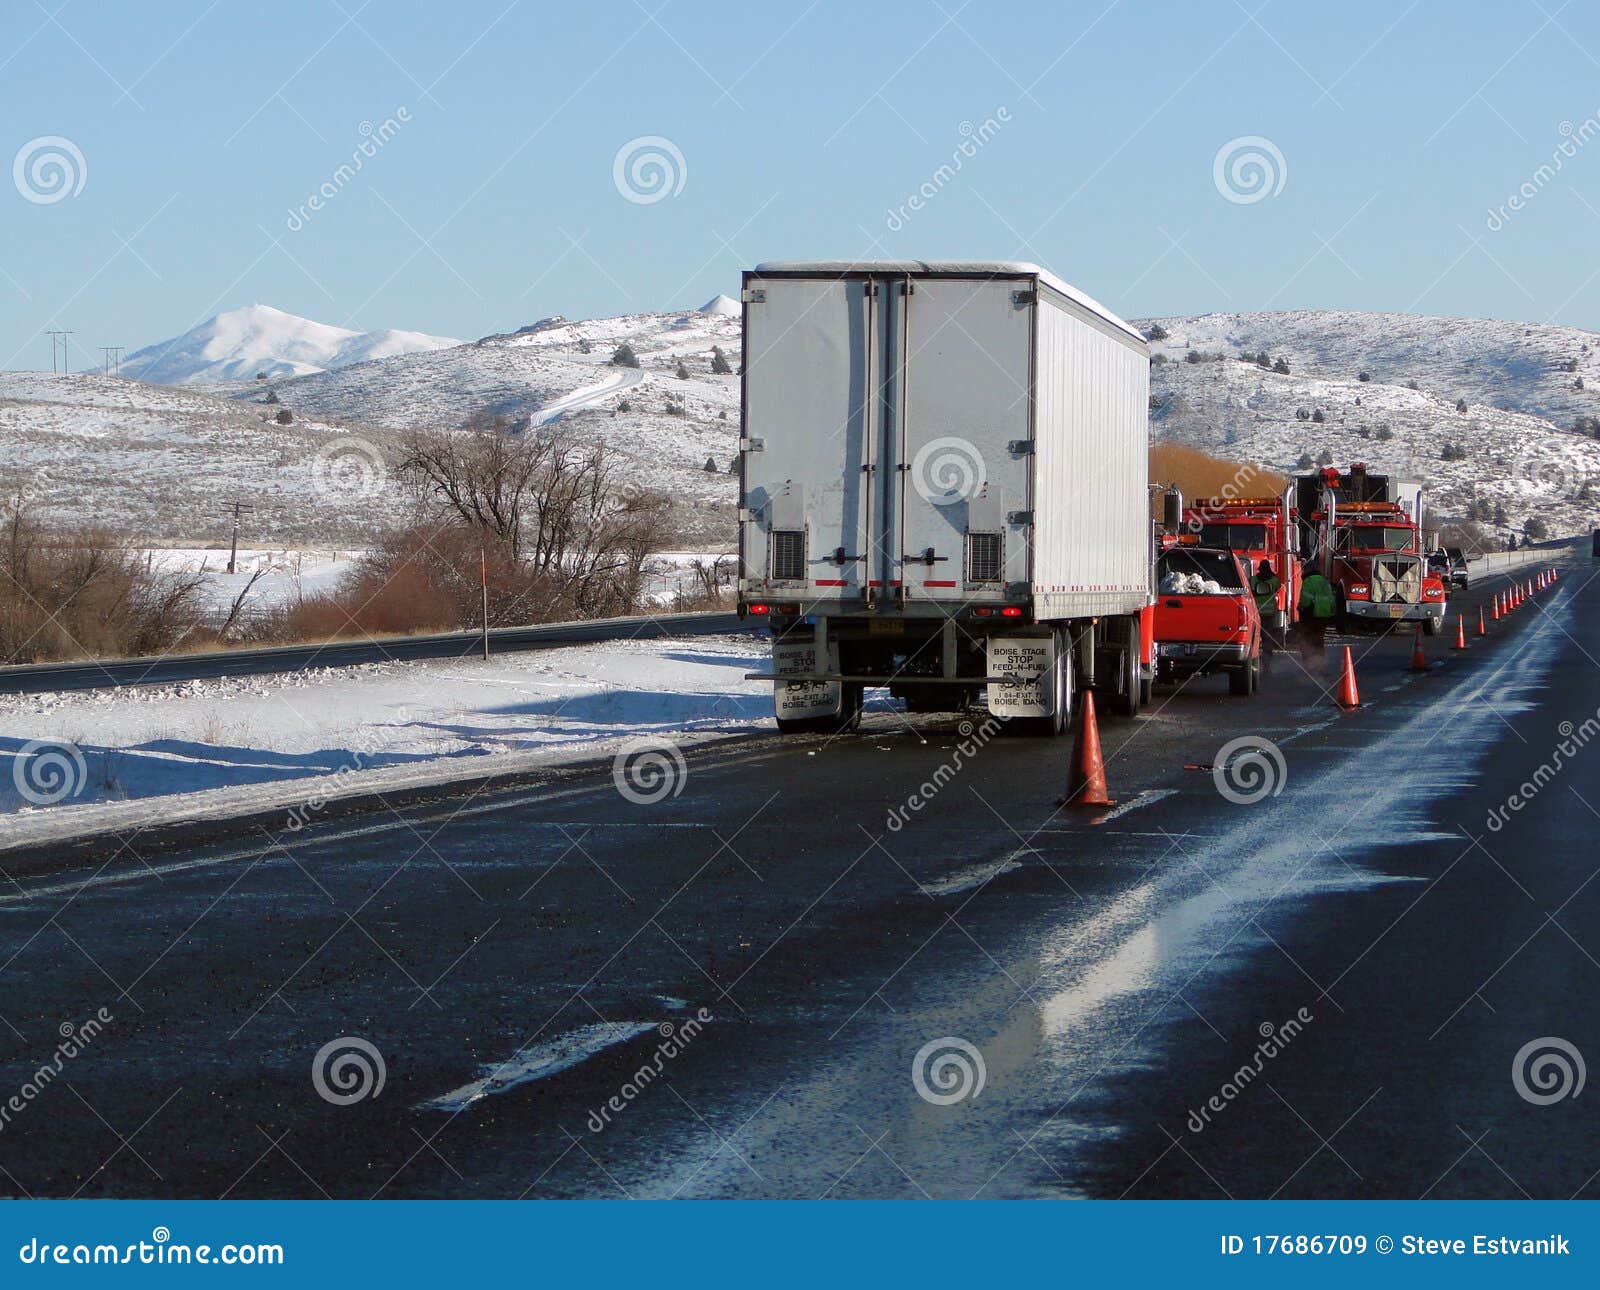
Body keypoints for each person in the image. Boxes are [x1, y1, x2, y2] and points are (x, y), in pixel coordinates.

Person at [1297, 565, 1337, 668]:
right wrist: (1332, 612)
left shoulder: (1308, 581)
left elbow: (1305, 600)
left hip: (1311, 616)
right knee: (1319, 639)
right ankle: (1319, 662)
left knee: (1307, 638)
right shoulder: (1325, 582)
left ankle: (1308, 662)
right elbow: (1331, 599)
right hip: (1324, 616)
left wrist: (1300, 608)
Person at [1251, 559, 1282, 649]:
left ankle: (1255, 653)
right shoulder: (1274, 580)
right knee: (1267, 635)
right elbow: (1278, 588)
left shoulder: (1252, 579)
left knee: (1256, 634)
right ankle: (1267, 654)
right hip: (1269, 613)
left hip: (1256, 612)